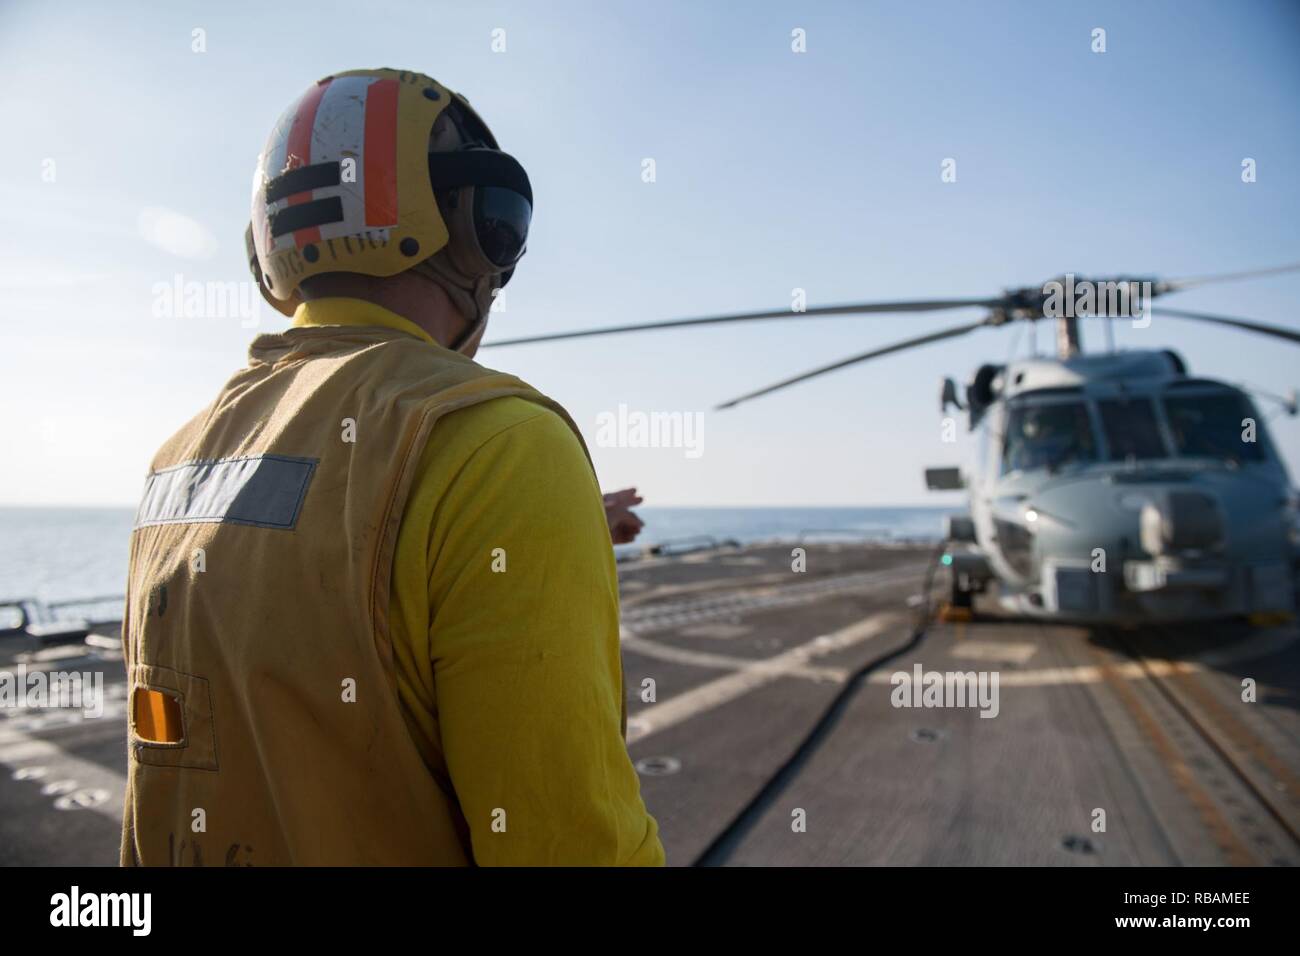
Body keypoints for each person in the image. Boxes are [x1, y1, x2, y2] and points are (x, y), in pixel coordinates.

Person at [120, 68, 664, 866]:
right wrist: (520, 506)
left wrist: (550, 528)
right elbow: (572, 846)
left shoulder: (178, 463)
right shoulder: (500, 447)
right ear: (482, 226)